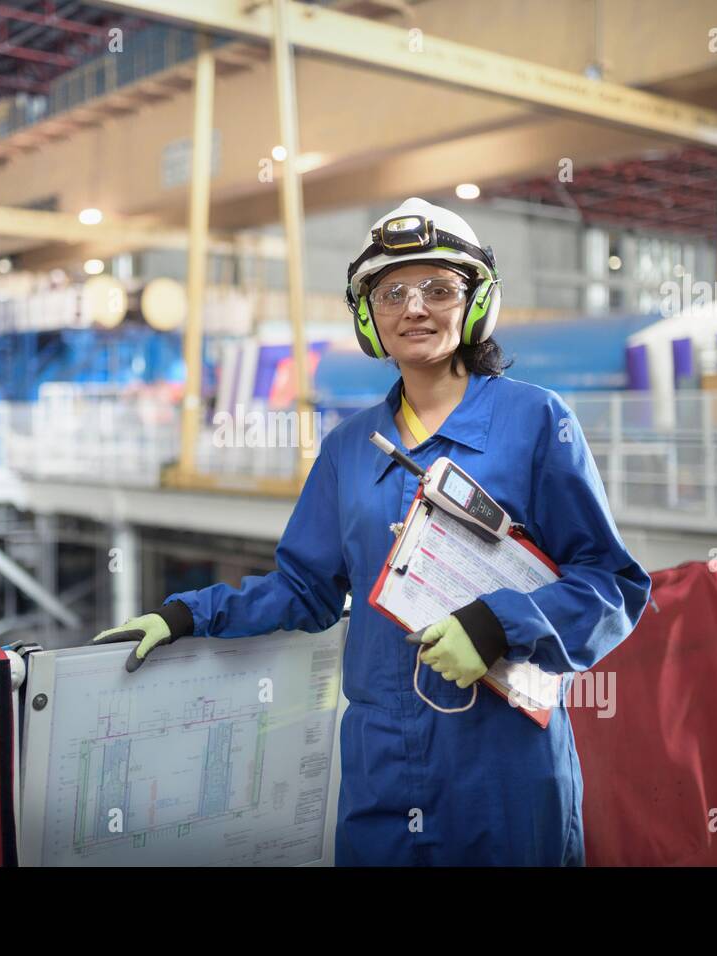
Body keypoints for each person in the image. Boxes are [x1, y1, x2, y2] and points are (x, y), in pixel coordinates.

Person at [92, 197, 651, 866]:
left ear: (475, 303)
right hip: (382, 766)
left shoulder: (535, 422)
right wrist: (188, 615)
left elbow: (611, 586)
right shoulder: (350, 447)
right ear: (369, 316)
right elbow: (306, 590)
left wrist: (499, 624)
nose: (415, 308)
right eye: (392, 293)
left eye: (440, 288)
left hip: (504, 769)